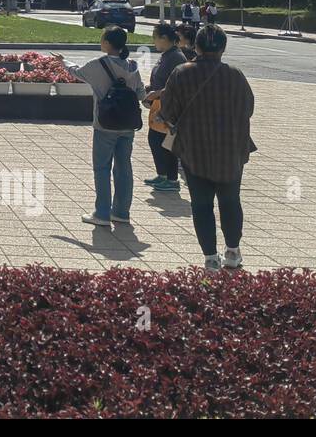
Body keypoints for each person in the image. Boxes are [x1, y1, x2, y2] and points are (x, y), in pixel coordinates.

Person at [158, 25, 255, 270]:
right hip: (230, 149)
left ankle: (210, 258)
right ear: (223, 48)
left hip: (194, 149)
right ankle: (233, 252)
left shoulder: (181, 73)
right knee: (231, 200)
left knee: (201, 204)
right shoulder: (235, 75)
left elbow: (168, 112)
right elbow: (248, 109)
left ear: (196, 46)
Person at [70, 26, 144, 227]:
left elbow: (77, 73)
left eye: (103, 39)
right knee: (124, 168)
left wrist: (63, 62)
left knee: (102, 168)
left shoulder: (98, 64)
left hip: (105, 125)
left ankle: (102, 213)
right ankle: (121, 212)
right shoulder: (132, 65)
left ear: (108, 43)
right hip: (128, 125)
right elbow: (141, 93)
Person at [141, 22, 186, 192]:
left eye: (155, 38)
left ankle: (171, 179)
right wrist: (150, 90)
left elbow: (177, 85)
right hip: (159, 104)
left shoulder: (176, 57)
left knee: (164, 142)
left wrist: (156, 93)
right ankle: (163, 175)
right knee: (155, 140)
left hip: (169, 106)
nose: (154, 42)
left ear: (165, 38)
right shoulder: (167, 54)